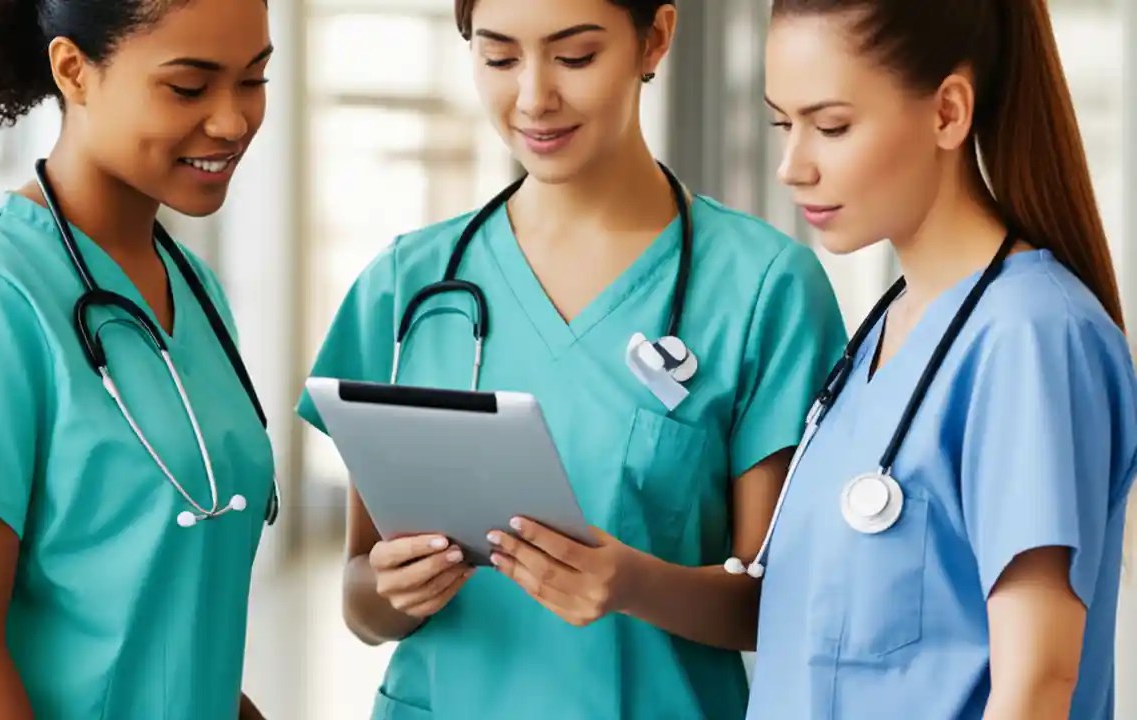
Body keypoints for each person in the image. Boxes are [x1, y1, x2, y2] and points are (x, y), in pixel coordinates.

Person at [295, 0, 846, 717]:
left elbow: (779, 604)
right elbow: (361, 601)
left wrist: (634, 585)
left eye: (575, 57)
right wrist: (395, 591)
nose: (533, 97)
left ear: (655, 38)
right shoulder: (406, 284)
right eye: (498, 57)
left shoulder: (763, 286)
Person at [0, 0, 277, 718]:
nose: (232, 121)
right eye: (189, 87)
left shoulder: (194, 289)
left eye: (253, 80)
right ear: (73, 70)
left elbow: (157, 617)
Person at [749, 0, 1137, 717]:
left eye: (830, 127)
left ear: (948, 112)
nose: (791, 167)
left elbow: (1037, 684)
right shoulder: (885, 333)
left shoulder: (1030, 337)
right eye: (783, 125)